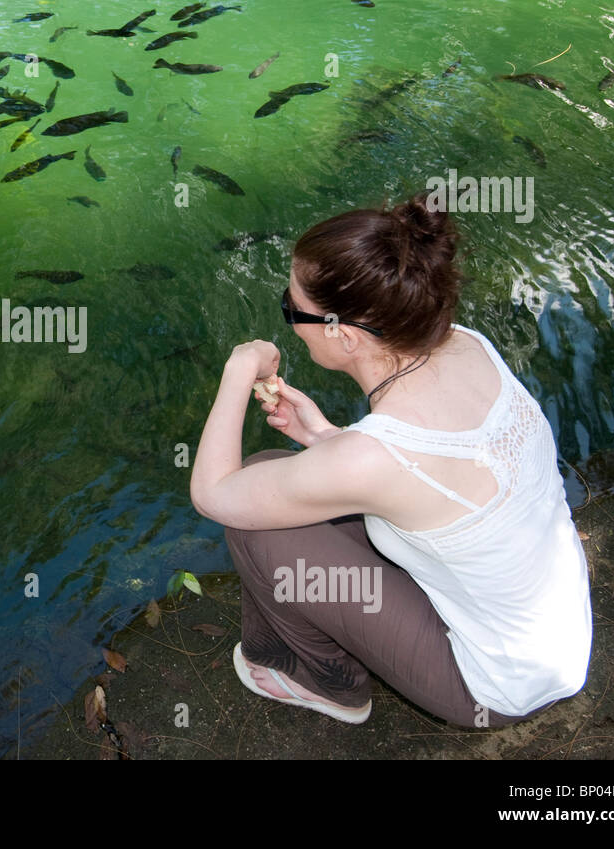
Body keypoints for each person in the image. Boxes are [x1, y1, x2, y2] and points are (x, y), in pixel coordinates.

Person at [188, 193, 592, 727]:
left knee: (254, 525)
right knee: (268, 473)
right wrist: (328, 436)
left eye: (292, 310)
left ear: (344, 335)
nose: (289, 320)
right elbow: (432, 471)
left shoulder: (375, 459)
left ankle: (328, 684)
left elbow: (214, 495)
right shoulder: (466, 345)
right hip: (549, 641)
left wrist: (240, 368)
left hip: (492, 686)